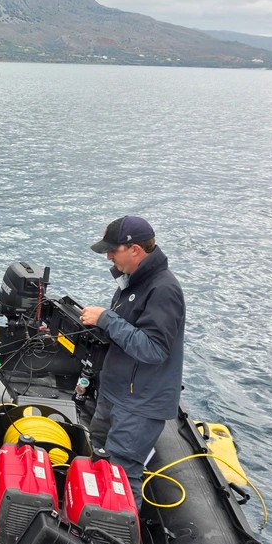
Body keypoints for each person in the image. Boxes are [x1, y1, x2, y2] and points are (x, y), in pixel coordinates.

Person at [80, 216, 186, 509]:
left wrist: (106, 318)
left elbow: (153, 349)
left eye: (113, 250)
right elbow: (126, 331)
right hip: (115, 392)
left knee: (121, 474)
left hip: (139, 402)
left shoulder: (163, 290)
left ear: (136, 249)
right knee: (99, 456)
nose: (109, 256)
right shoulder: (130, 281)